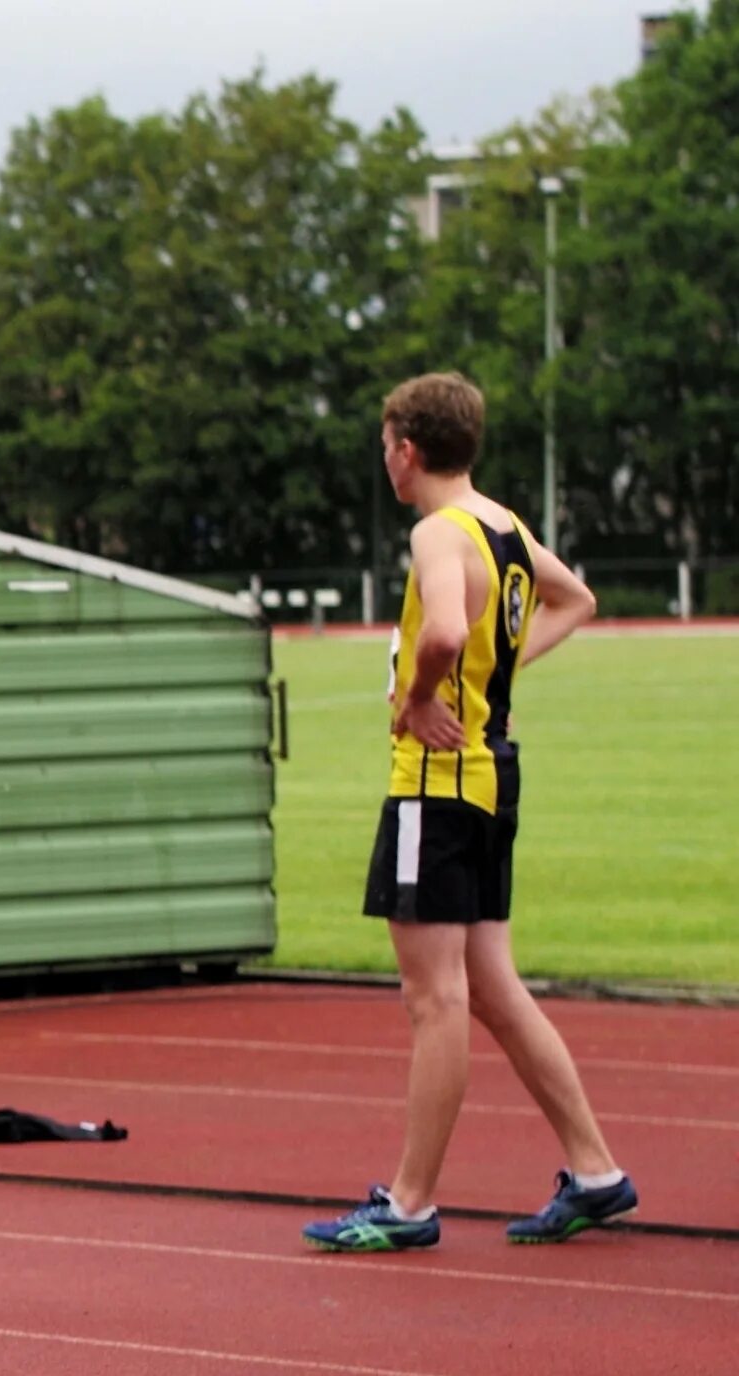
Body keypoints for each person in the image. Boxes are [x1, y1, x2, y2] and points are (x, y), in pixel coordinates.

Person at [305, 372, 634, 1253]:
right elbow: (577, 600)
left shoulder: (437, 536)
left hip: (436, 784)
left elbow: (445, 632)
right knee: (491, 986)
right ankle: (597, 1171)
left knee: (435, 998)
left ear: (407, 451)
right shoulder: (507, 527)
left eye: (385, 446)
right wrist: (497, 683)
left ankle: (408, 1204)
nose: (385, 461)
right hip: (494, 776)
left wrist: (420, 695)